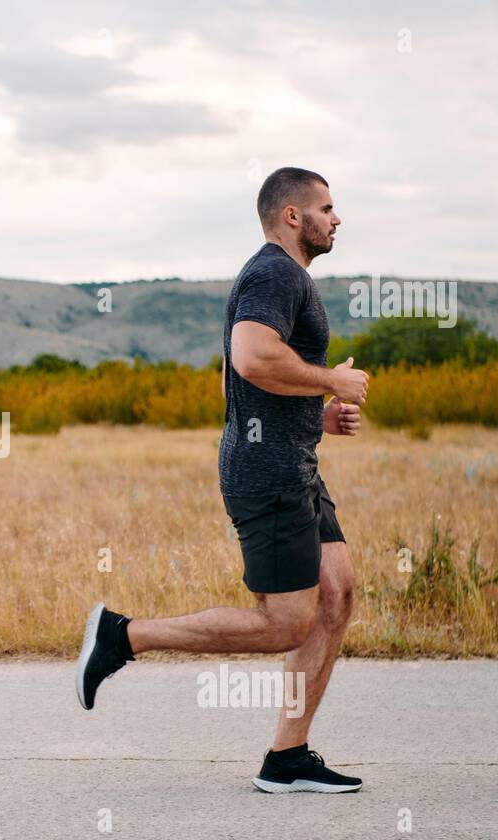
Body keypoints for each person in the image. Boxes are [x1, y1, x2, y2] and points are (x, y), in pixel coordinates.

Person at [76, 167, 371, 794]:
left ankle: (287, 758)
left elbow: (239, 380)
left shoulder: (283, 278)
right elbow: (251, 358)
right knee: (287, 621)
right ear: (293, 216)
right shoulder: (274, 272)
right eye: (326, 207)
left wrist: (314, 415)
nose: (336, 218)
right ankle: (122, 636)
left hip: (295, 464)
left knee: (337, 592)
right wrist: (331, 381)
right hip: (267, 476)